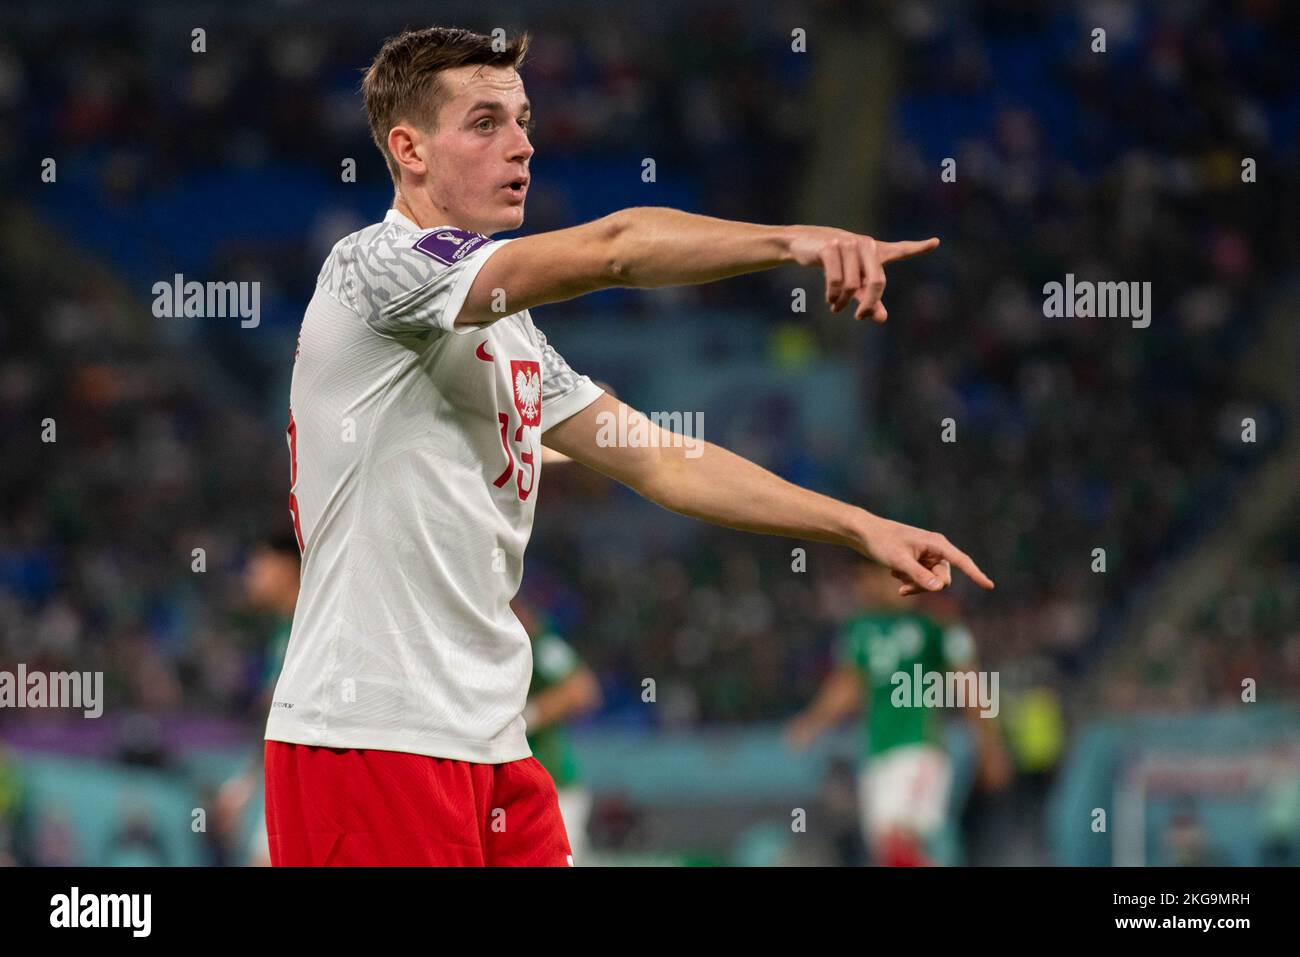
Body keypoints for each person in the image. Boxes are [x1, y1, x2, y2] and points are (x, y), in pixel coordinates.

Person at [264, 25, 994, 867]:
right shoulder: (374, 267)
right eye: (486, 123)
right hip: (368, 737)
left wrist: (859, 526)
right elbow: (616, 250)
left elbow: (659, 457)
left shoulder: (511, 333)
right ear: (409, 149)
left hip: (493, 742)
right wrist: (790, 241)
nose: (522, 145)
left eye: (524, 120)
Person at [786, 562, 1011, 865]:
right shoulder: (861, 628)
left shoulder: (935, 624)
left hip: (919, 750)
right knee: (889, 853)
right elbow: (849, 684)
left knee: (899, 844)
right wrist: (812, 722)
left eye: (886, 576)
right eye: (866, 577)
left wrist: (990, 745)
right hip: (878, 756)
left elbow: (968, 683)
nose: (873, 585)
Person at [214, 530, 300, 866]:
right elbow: (274, 711)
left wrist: (243, 785)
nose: (250, 574)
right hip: (288, 774)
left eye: (259, 563)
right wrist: (245, 783)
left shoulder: (313, 625)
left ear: (287, 565)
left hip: (312, 772)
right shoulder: (281, 630)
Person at [514, 600, 602, 863]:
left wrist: (528, 716)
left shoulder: (542, 646)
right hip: (519, 784)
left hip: (553, 783)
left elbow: (582, 689)